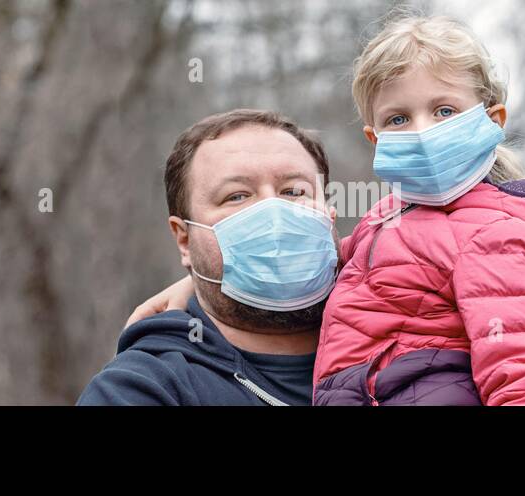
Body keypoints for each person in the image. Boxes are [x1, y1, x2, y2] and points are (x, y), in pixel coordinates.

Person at [128, 15, 525, 406]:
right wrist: (200, 275)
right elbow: (327, 260)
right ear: (375, 138)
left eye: (444, 110)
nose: (421, 130)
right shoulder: (387, 218)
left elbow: (520, 366)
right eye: (398, 119)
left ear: (492, 121)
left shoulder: (499, 232)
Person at [77, 109, 338, 406]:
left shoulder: (391, 332)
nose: (274, 216)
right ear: (184, 239)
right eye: (237, 196)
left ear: (330, 216)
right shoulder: (140, 389)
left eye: (294, 191)